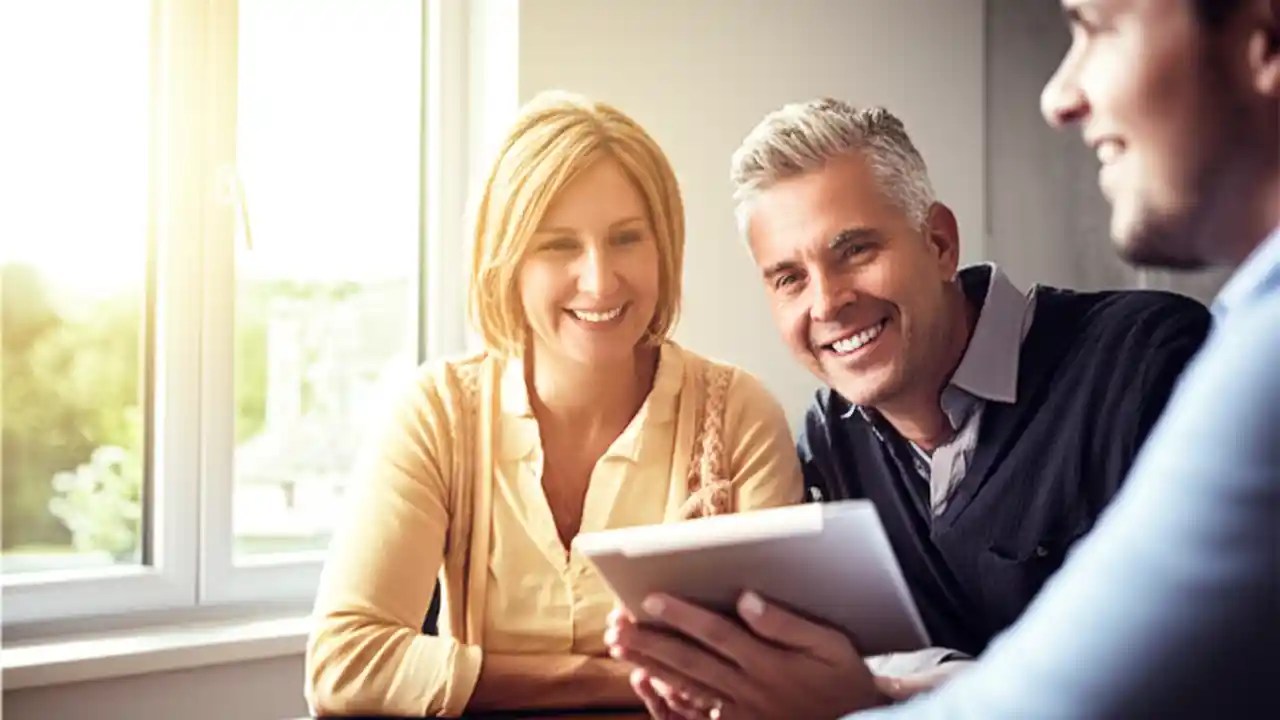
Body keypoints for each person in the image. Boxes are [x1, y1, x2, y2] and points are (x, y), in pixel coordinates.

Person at [611, 0, 1280, 717]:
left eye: (856, 251)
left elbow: (1168, 681)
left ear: (939, 244)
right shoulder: (830, 439)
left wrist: (865, 699)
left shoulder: (1147, 363)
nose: (828, 302)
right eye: (789, 279)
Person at [304, 91, 803, 717]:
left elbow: (769, 682)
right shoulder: (437, 413)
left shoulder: (738, 416)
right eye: (558, 245)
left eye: (626, 239)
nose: (598, 280)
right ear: (507, 262)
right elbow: (344, 667)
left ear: (664, 247)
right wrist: (609, 680)